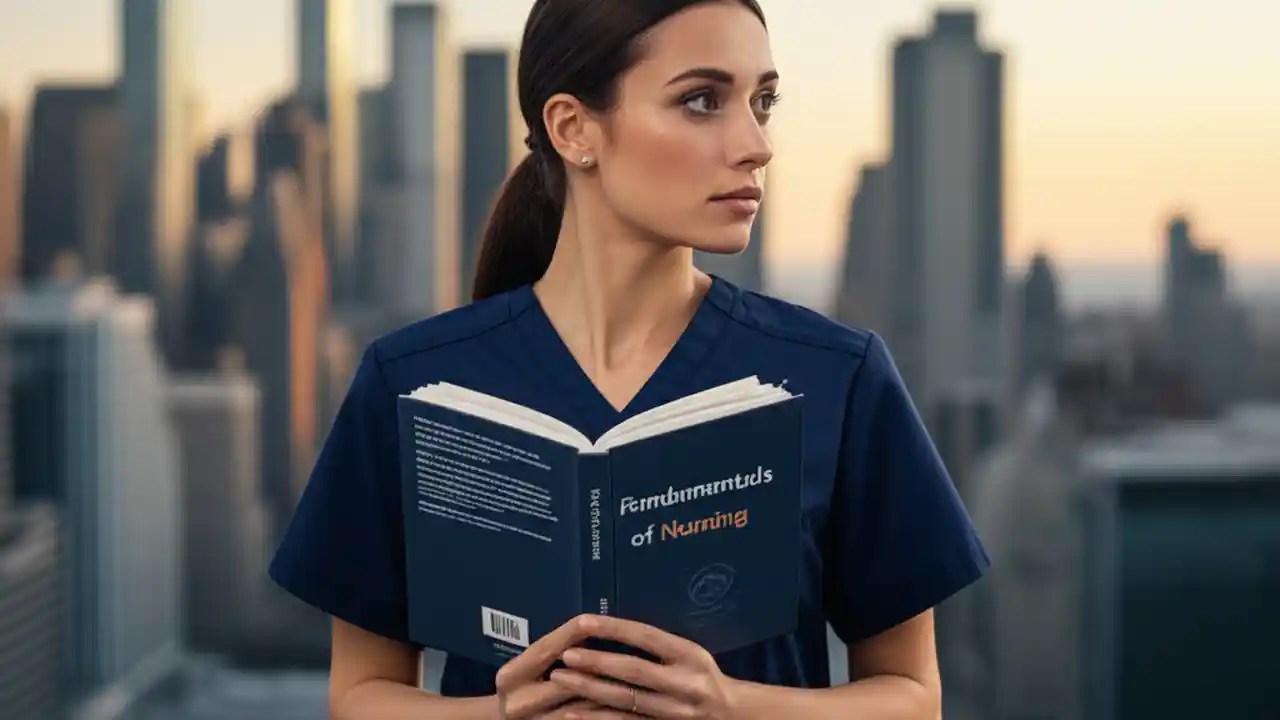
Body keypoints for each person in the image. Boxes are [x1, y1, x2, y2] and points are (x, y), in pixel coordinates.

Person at [268, 0, 991, 717]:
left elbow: (912, 698)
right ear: (574, 129)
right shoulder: (412, 384)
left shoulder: (839, 376)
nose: (756, 143)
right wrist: (497, 716)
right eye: (703, 101)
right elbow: (360, 695)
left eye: (762, 102)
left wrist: (728, 707)